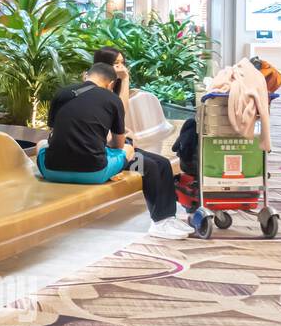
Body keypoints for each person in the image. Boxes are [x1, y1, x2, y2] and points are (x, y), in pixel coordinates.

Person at [42, 62, 190, 240]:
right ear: (111, 84)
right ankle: (160, 223)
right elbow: (118, 146)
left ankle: (167, 218)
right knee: (141, 159)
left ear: (86, 75)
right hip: (94, 171)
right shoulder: (112, 99)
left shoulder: (62, 94)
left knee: (162, 162)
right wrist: (126, 144)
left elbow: (54, 131)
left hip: (51, 169)